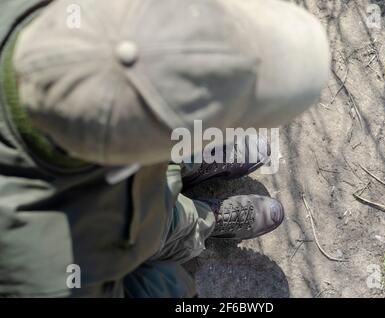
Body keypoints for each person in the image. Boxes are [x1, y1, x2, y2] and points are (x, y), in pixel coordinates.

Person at [0, 0, 330, 297]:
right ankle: (202, 221)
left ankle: (186, 161)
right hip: (117, 238)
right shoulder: (52, 275)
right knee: (164, 263)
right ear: (124, 162)